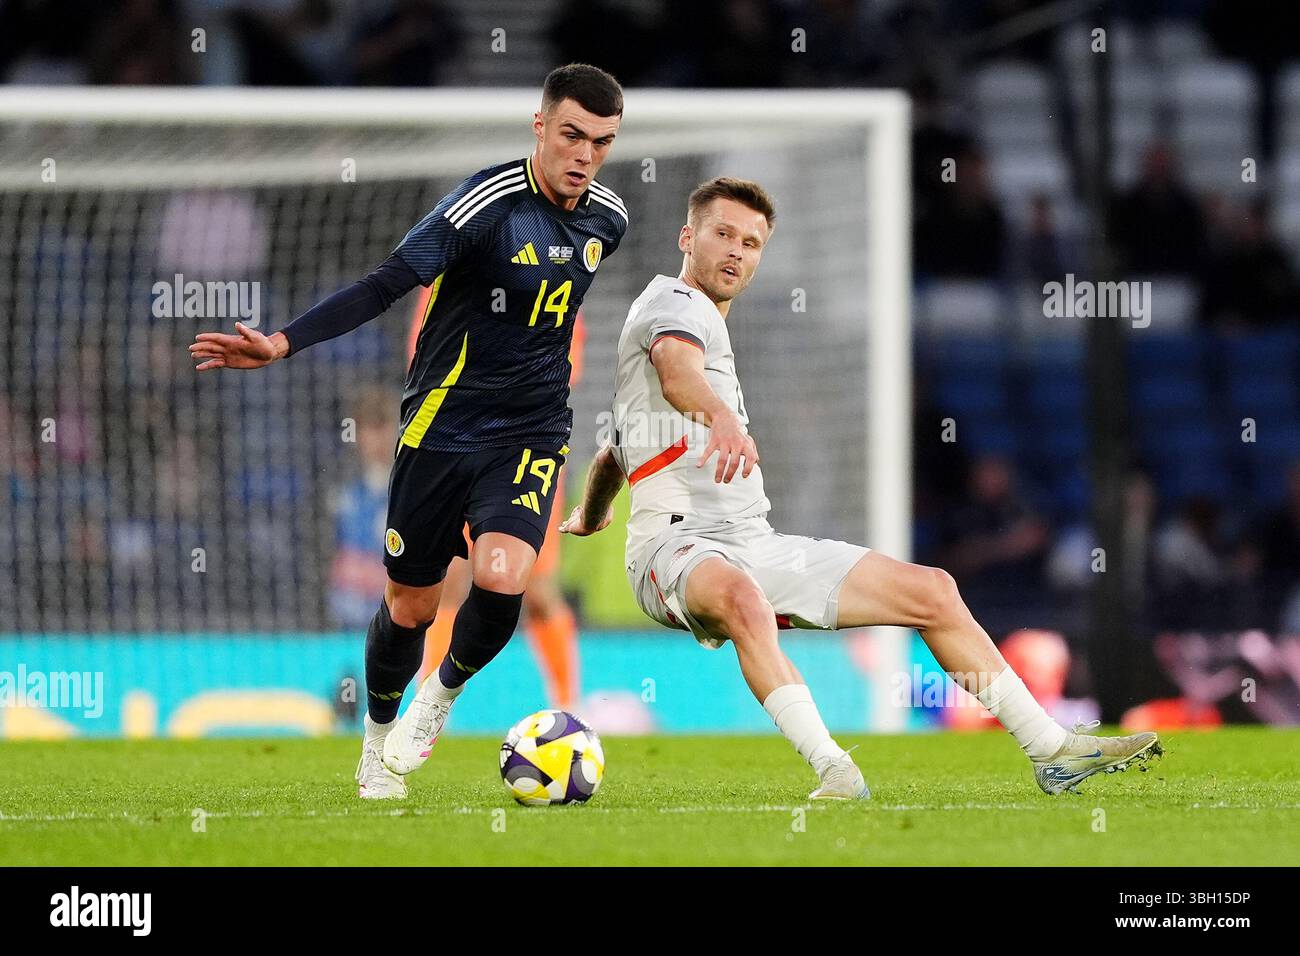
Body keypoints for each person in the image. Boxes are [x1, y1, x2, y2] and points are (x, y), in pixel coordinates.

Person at [560, 176, 1161, 798]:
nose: (736, 251)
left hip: (748, 540)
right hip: (672, 550)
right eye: (722, 235)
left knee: (932, 591)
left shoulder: (707, 323)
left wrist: (592, 509)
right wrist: (721, 417)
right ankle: (835, 769)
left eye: (751, 242)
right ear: (689, 237)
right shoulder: (672, 305)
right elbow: (677, 369)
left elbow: (616, 448)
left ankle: (1050, 749)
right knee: (742, 599)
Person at [189, 64, 628, 799]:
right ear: (541, 129)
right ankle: (376, 741)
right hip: (441, 429)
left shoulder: (607, 218)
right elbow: (386, 282)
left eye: (603, 143)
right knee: (411, 608)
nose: (584, 156)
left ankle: (441, 696)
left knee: (503, 575)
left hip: (530, 430)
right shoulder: (484, 204)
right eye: (572, 136)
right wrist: (283, 343)